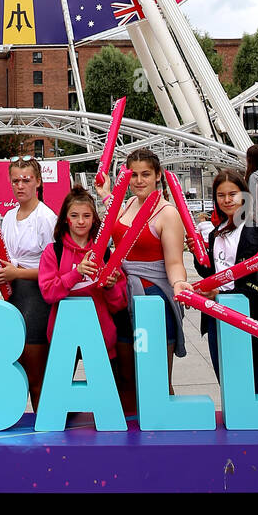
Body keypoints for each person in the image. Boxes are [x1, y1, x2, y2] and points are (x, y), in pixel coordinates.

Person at [106, 149, 188, 397]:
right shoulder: (129, 203)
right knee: (128, 376)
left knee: (158, 378)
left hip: (153, 298)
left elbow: (174, 261)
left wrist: (180, 283)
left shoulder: (168, 213)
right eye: (133, 175)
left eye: (145, 174)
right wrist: (106, 196)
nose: (139, 181)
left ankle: (166, 432)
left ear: (158, 176)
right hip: (122, 296)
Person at [196, 170, 258, 395]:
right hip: (217, 317)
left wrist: (220, 293)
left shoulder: (255, 230)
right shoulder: (216, 233)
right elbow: (210, 273)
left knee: (254, 391)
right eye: (221, 195)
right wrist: (197, 252)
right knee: (229, 389)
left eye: (233, 194)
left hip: (249, 319)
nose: (227, 200)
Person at [0, 158, 56, 410]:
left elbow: (54, 270)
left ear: (38, 182)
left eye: (26, 180)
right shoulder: (8, 216)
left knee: (36, 376)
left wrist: (17, 273)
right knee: (16, 372)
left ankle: (46, 431)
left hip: (36, 298)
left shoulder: (46, 218)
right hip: (13, 296)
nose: (20, 186)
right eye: (16, 180)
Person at [38, 187, 127, 361]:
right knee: (60, 388)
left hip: (100, 338)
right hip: (63, 338)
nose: (80, 221)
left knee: (105, 388)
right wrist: (76, 273)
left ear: (94, 219)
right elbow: (48, 294)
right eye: (74, 216)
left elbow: (119, 304)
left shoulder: (106, 254)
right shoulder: (53, 252)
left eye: (86, 216)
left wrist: (110, 287)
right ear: (65, 219)